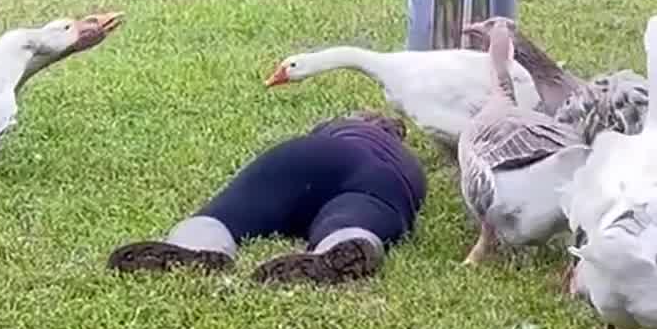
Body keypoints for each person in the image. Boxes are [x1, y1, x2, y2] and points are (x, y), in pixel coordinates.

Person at [107, 111, 427, 286]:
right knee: (354, 218)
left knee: (230, 213)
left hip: (311, 155)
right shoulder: (406, 160)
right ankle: (339, 247)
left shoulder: (336, 127)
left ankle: (196, 244)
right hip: (382, 182)